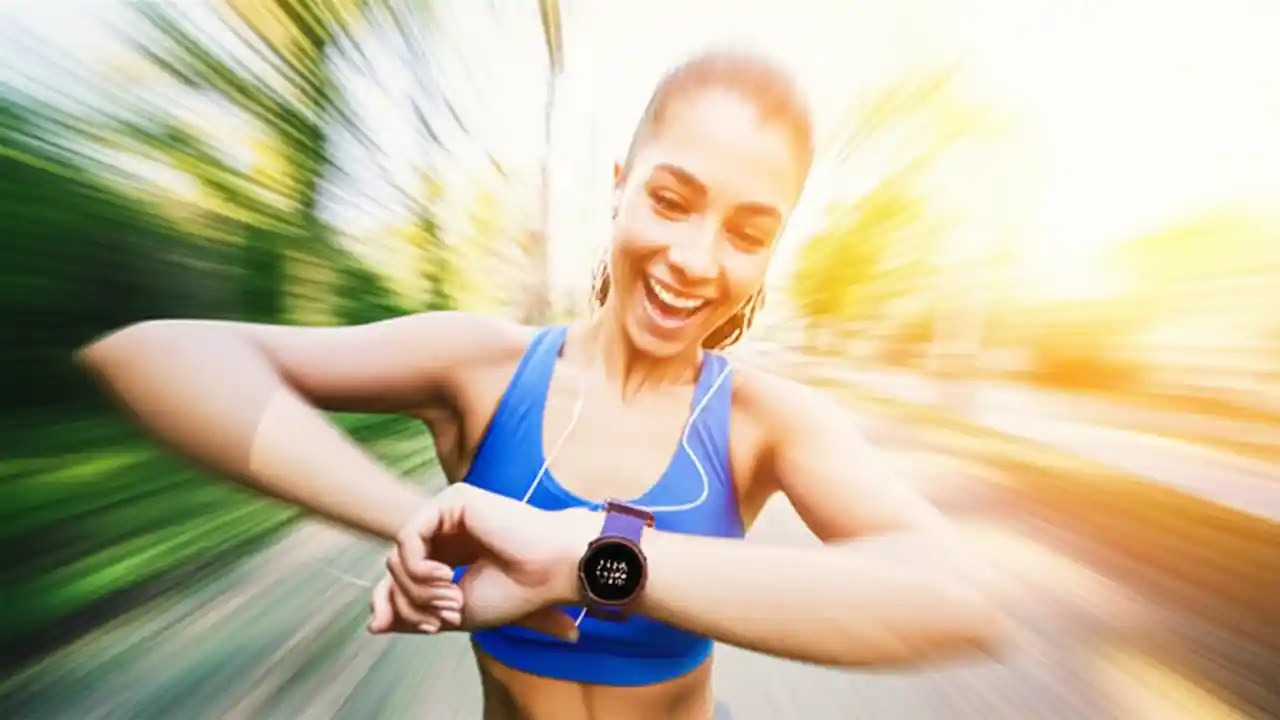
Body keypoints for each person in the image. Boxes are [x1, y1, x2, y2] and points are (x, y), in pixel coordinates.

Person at [77, 49, 1003, 720]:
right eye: (671, 201)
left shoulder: (765, 423)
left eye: (747, 232)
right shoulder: (480, 369)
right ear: (620, 186)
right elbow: (151, 356)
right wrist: (421, 523)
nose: (693, 258)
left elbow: (951, 602)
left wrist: (586, 558)